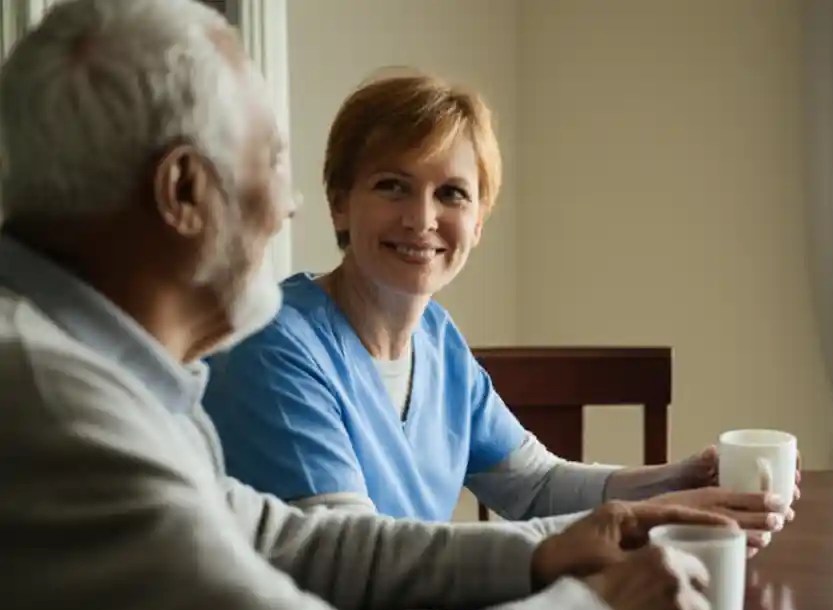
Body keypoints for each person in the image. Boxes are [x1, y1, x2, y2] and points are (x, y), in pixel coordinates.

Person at [0, 1, 731, 610]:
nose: (287, 207)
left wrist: (546, 551)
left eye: (451, 194)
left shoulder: (104, 378)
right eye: (271, 162)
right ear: (184, 190)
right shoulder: (56, 410)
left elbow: (294, 541)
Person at [201, 71, 800, 544]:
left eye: (452, 194)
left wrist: (678, 481)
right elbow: (355, 558)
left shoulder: (436, 339)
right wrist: (641, 520)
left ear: (478, 222)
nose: (422, 218)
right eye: (392, 186)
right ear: (338, 202)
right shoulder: (275, 344)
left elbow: (535, 486)